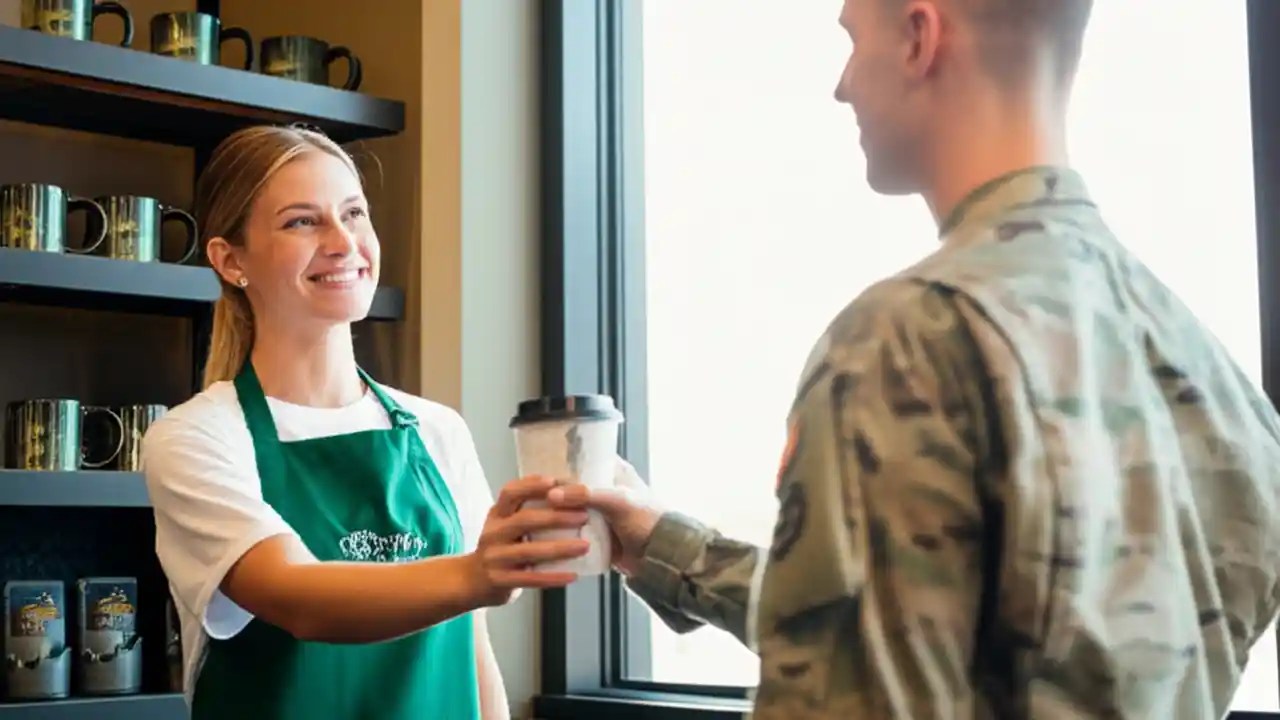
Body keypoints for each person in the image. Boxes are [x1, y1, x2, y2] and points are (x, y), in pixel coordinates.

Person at [553, 0, 1280, 717]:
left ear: (917, 36)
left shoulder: (907, 342)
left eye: (851, 38)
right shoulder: (1219, 383)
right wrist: (670, 550)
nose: (842, 84)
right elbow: (971, 638)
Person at [141, 124, 592, 719]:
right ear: (230, 260)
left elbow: (473, 650)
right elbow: (300, 599)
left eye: (353, 213)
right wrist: (478, 573)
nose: (341, 241)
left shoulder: (437, 431)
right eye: (302, 221)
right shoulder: (196, 438)